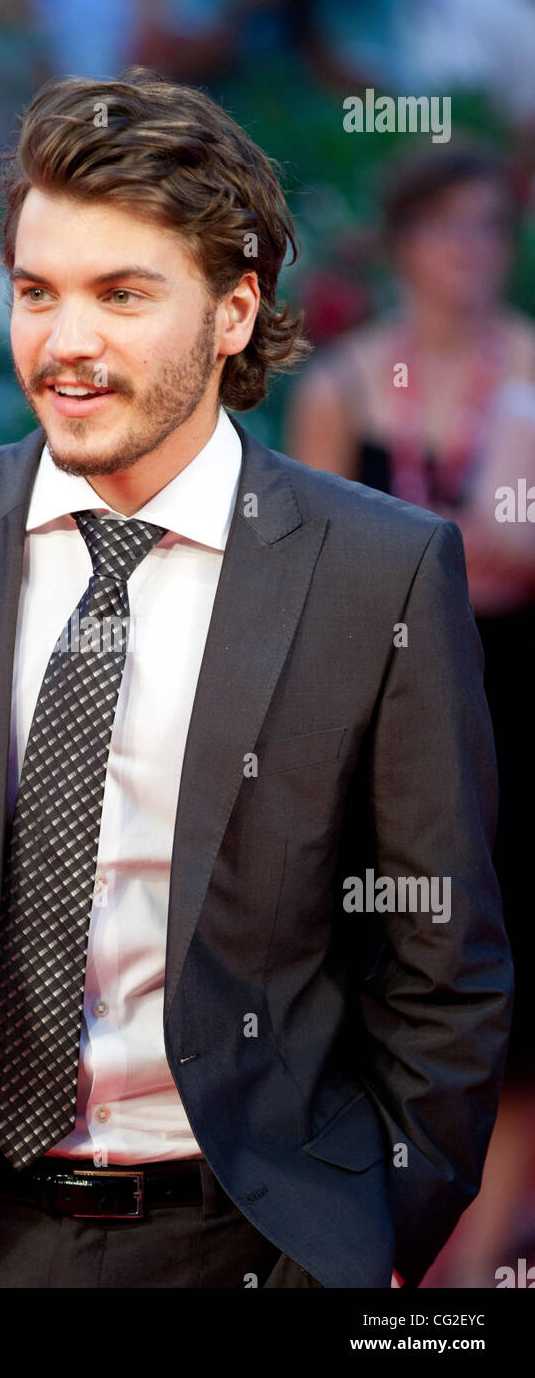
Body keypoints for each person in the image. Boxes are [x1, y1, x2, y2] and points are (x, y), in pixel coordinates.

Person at [0, 67, 512, 1290]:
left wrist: (354, 1250)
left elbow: (442, 961)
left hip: (241, 1243)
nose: (66, 343)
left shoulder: (376, 569)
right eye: (35, 292)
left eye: (121, 294)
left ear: (230, 310)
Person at [286, 139, 535, 1286]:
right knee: (380, 959)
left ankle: (478, 1267)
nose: (470, 252)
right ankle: (387, 1243)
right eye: (448, 227)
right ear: (400, 245)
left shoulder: (528, 371)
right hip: (384, 709)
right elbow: (303, 573)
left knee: (510, 970)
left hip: (515, 703)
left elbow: (508, 550)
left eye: (488, 226)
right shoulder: (343, 384)